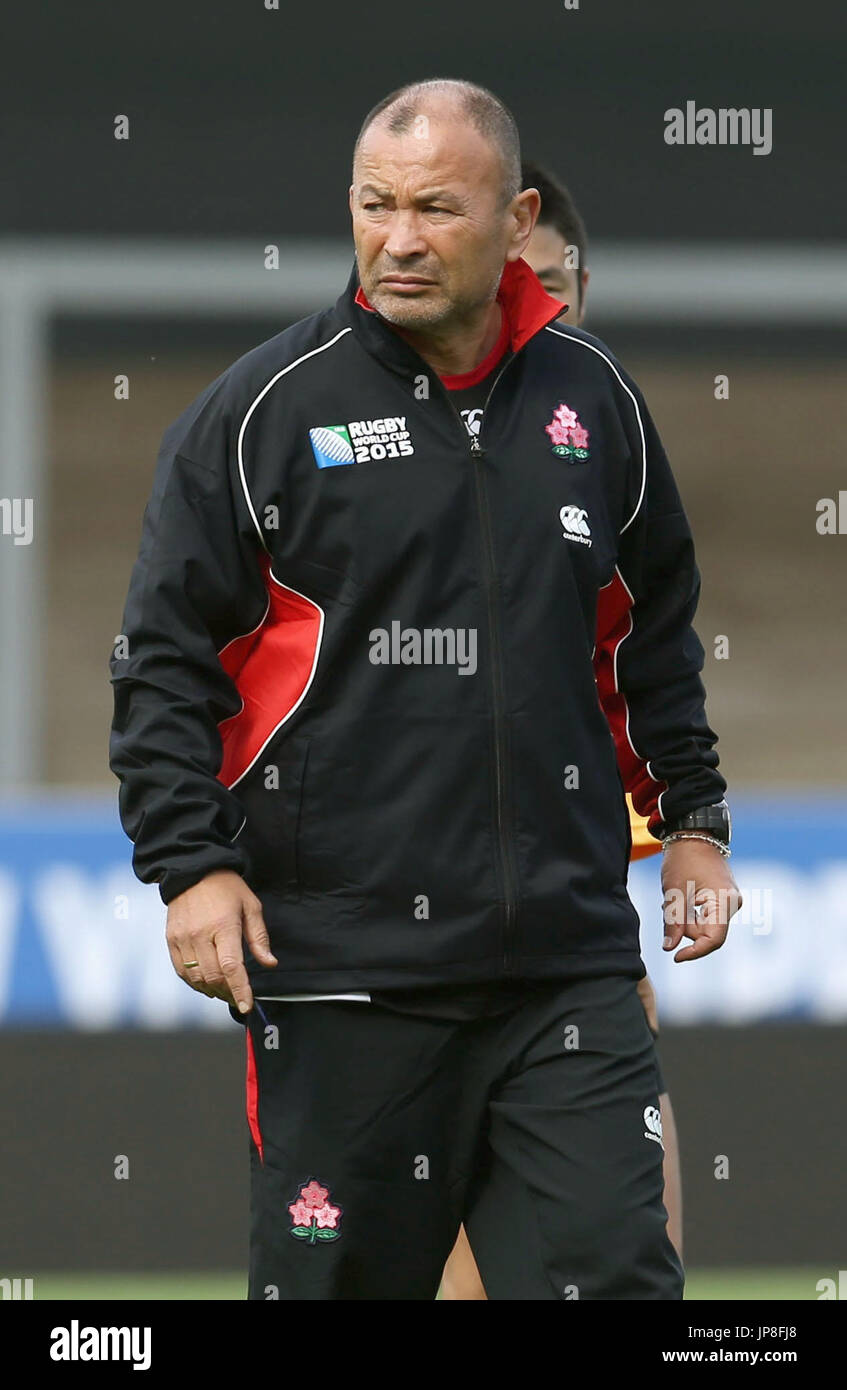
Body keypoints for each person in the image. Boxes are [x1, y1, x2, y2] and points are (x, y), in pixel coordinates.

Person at [109, 78, 740, 1300]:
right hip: (345, 974)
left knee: (619, 1282)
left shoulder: (592, 399)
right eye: (374, 205)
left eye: (436, 208)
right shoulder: (260, 414)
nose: (398, 238)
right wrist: (191, 863)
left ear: (518, 219)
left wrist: (693, 824)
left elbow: (649, 637)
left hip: (562, 968)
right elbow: (160, 658)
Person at [440, 160, 683, 1299]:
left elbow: (634, 671)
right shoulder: (354, 435)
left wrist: (681, 831)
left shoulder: (607, 451)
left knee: (626, 1253)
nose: (522, 307)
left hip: (569, 935)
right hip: (400, 944)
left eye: (546, 283)